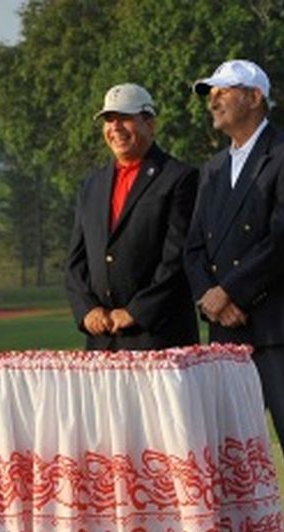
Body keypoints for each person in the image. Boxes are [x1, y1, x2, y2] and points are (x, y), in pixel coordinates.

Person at [183, 59, 284, 532]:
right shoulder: (211, 169)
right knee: (230, 447)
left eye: (223, 91)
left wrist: (233, 292)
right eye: (211, 93)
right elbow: (194, 246)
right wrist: (210, 294)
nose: (213, 100)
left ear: (254, 98)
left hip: (277, 325)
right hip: (224, 330)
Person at [65, 83, 199, 350]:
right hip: (103, 342)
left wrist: (137, 311)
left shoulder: (179, 178)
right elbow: (76, 262)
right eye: (109, 120)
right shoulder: (91, 185)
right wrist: (87, 309)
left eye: (125, 118)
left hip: (158, 337)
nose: (115, 128)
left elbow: (177, 258)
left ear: (150, 124)